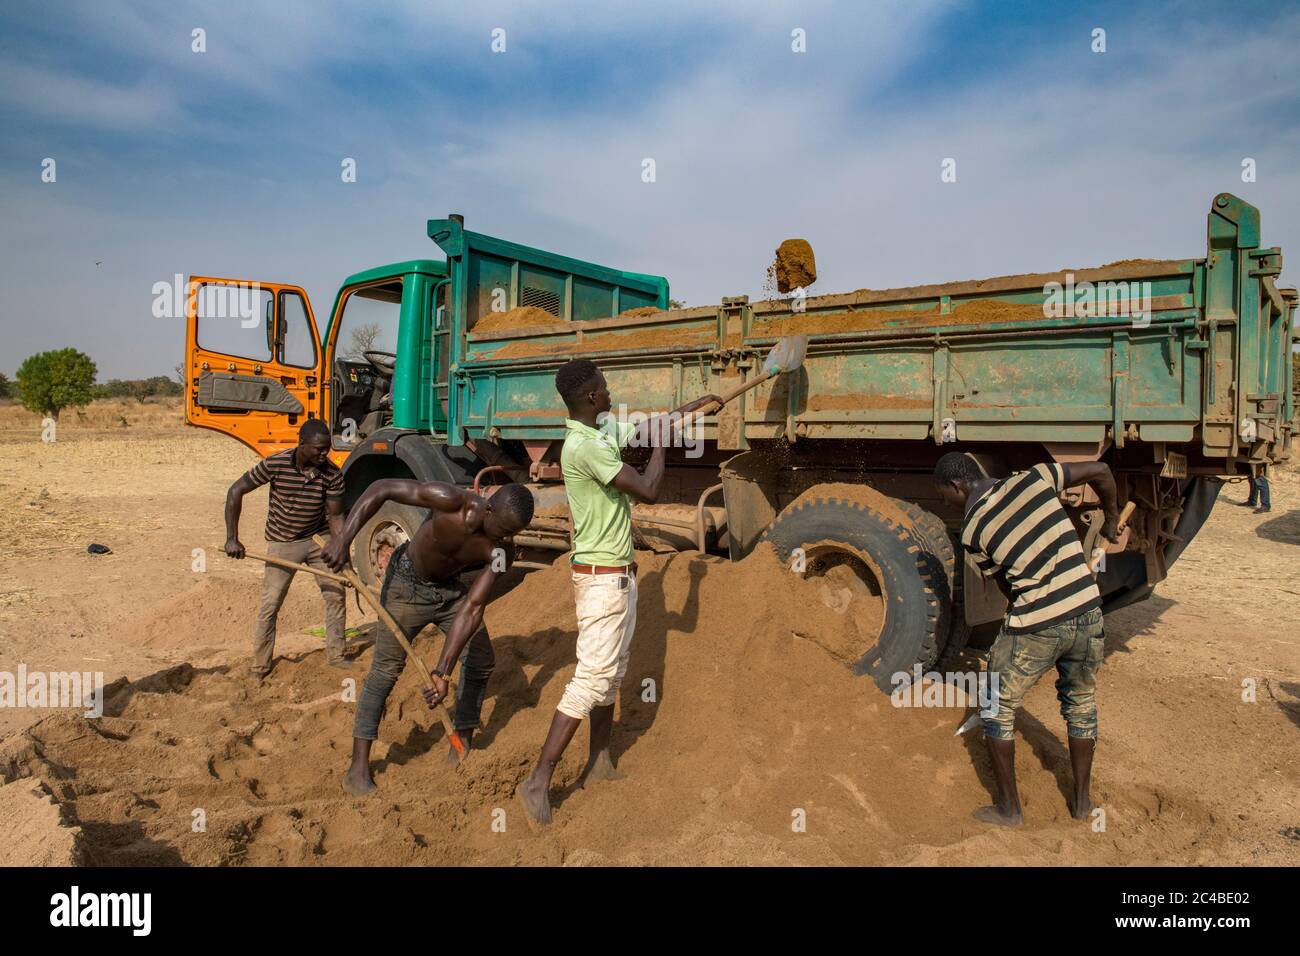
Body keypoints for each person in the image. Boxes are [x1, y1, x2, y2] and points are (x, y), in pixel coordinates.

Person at [516, 358, 720, 826]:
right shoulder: (584, 448)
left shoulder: (602, 428)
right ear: (590, 398)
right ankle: (539, 779)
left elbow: (648, 428)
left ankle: (600, 760)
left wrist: (694, 410)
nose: (609, 394)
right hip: (601, 580)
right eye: (605, 389)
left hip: (618, 575)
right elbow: (648, 489)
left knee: (613, 672)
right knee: (591, 678)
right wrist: (667, 445)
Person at [934, 452, 1120, 827]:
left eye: (945, 497)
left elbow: (1007, 586)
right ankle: (1082, 803)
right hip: (1087, 609)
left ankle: (1009, 809)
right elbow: (1100, 470)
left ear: (958, 486)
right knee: (1081, 703)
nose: (948, 504)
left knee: (996, 708)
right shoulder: (1035, 478)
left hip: (1038, 623)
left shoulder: (971, 531)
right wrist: (1112, 518)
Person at [322, 479, 534, 796]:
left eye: (510, 534)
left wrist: (442, 671)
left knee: (480, 659)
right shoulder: (452, 500)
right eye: (500, 528)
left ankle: (461, 742)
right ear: (487, 508)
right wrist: (343, 539)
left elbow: (473, 608)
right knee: (385, 670)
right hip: (406, 585)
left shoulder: (501, 551)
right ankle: (357, 768)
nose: (503, 537)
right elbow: (381, 488)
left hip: (451, 593)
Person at [225, 419, 347, 677]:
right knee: (271, 604)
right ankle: (260, 665)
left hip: (317, 540)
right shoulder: (276, 464)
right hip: (283, 542)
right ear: (301, 444)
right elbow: (236, 490)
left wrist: (339, 548)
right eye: (318, 449)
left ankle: (337, 655)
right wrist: (232, 538)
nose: (324, 454)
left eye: (327, 449)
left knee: (336, 595)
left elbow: (335, 517)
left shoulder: (332, 474)